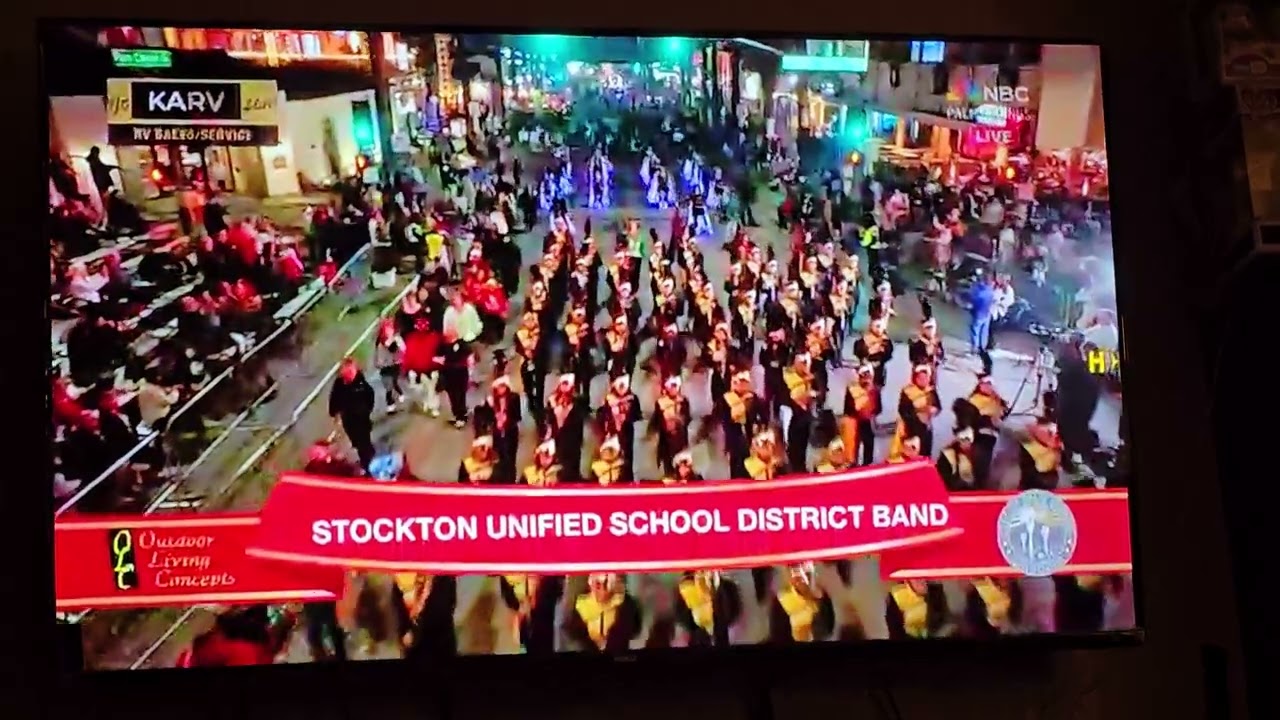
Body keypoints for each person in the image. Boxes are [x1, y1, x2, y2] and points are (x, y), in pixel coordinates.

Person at [328, 357, 377, 470]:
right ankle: (363, 450)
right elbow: (334, 398)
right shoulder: (339, 383)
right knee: (355, 438)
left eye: (350, 372)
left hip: (361, 419)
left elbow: (370, 396)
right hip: (348, 418)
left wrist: (366, 410)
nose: (348, 375)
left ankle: (367, 463)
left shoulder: (361, 384)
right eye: (346, 373)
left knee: (363, 442)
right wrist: (334, 412)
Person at [967, 271, 995, 354]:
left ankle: (974, 348)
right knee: (984, 332)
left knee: (975, 331)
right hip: (987, 314)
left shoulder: (979, 292)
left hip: (978, 314)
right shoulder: (990, 291)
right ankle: (982, 347)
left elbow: (973, 299)